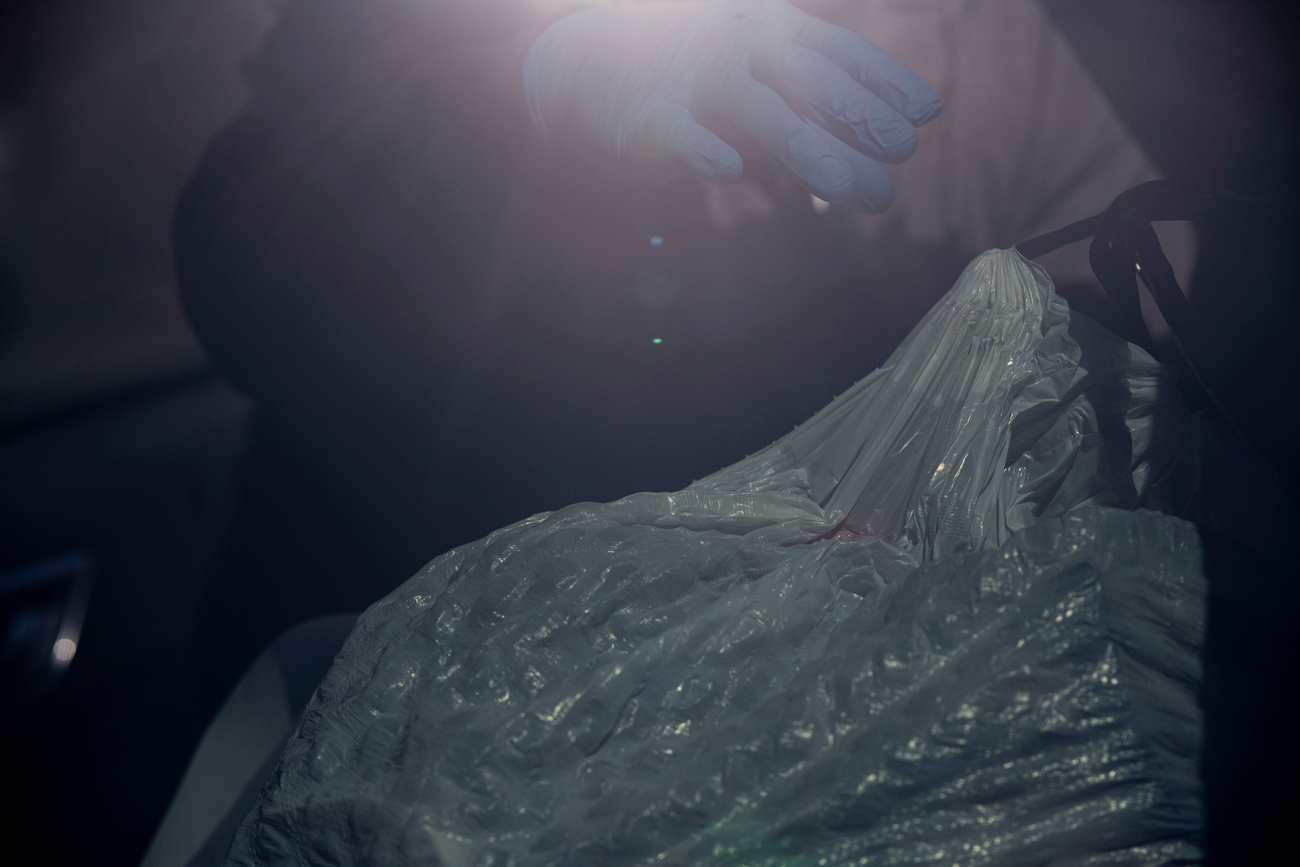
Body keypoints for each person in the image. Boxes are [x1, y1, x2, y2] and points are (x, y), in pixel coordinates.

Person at [175, 0, 1189, 714]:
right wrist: (507, 110)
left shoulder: (1009, 54)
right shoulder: (419, 25)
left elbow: (1134, 383)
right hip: (390, 676)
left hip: (798, 714)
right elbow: (248, 296)